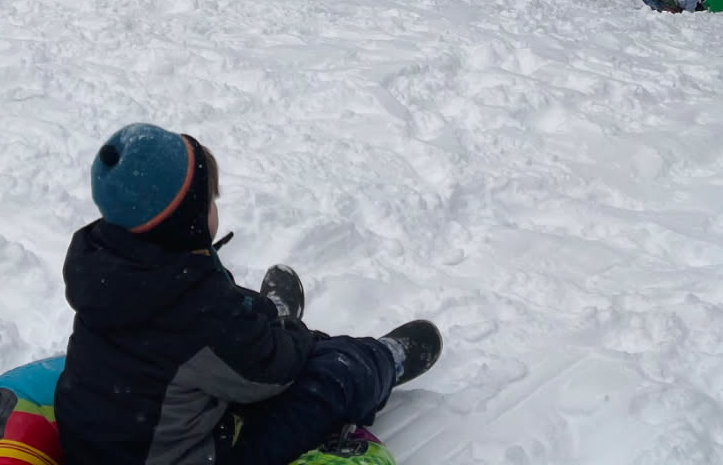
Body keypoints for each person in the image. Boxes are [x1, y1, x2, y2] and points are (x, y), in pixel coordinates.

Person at [55, 123, 442, 465]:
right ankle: (385, 360)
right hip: (194, 453)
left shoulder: (111, 268)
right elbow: (275, 372)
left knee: (226, 329)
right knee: (331, 372)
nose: (214, 208)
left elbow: (201, 320)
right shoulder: (197, 310)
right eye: (209, 201)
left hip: (109, 446)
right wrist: (299, 335)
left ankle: (264, 316)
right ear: (188, 219)